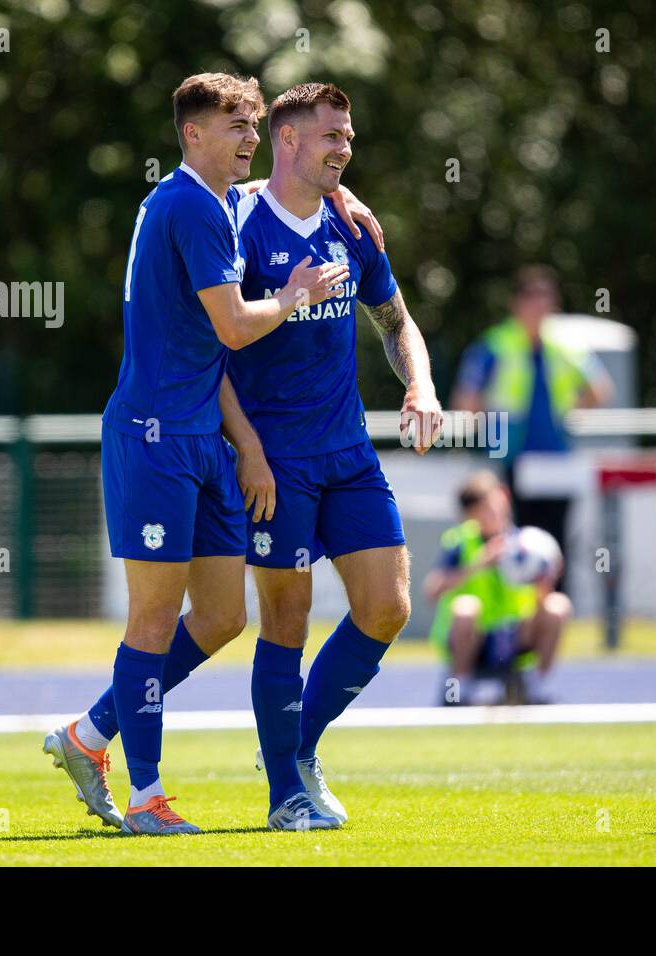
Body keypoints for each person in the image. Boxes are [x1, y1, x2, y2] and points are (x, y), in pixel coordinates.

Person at [43, 73, 377, 835]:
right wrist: (291, 295)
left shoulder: (213, 197)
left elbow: (265, 185)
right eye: (236, 127)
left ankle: (88, 733)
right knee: (153, 621)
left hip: (205, 438)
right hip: (154, 436)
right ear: (193, 134)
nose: (251, 139)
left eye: (256, 126)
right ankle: (146, 795)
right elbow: (231, 328)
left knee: (223, 616)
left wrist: (337, 197)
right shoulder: (193, 205)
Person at [225, 82, 444, 830]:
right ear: (286, 140)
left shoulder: (354, 226)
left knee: (388, 607)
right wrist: (246, 448)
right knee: (286, 620)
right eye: (330, 137)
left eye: (348, 136)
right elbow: (214, 345)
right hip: (274, 461)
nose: (344, 148)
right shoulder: (239, 221)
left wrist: (420, 384)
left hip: (347, 450)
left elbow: (396, 322)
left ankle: (296, 750)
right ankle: (285, 791)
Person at [450, 266, 612, 591]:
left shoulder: (565, 346)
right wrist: (493, 431)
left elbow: (601, 389)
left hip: (556, 457)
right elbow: (465, 400)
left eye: (546, 300)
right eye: (533, 299)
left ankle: (552, 613)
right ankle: (514, 622)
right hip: (510, 460)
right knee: (510, 540)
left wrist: (567, 417)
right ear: (517, 303)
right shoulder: (496, 344)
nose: (540, 308)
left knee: (555, 543)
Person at [424, 470, 570, 705]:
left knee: (558, 606)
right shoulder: (460, 542)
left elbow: (542, 601)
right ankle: (461, 690)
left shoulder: (530, 544)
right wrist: (480, 562)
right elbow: (431, 591)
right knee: (465, 608)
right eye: (480, 511)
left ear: (504, 497)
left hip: (516, 632)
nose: (489, 515)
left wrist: (543, 583)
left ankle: (536, 688)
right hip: (477, 638)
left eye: (491, 506)